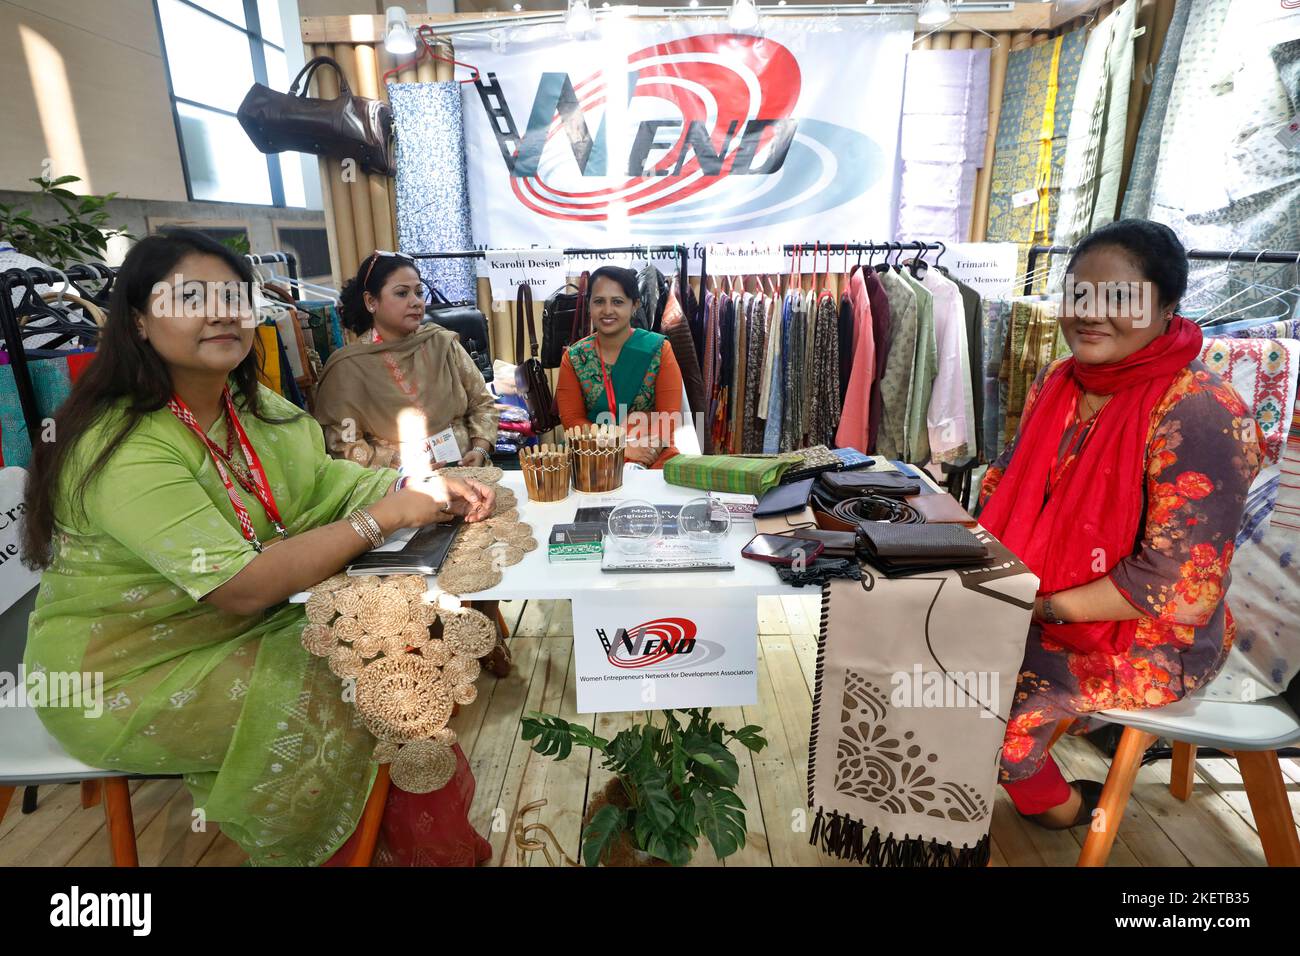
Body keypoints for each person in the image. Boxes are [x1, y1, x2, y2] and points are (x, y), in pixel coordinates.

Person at [22, 229, 495, 866]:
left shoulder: (247, 407)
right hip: (125, 668)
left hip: (236, 626)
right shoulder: (123, 445)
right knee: (366, 686)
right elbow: (240, 587)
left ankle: (408, 852)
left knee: (403, 639)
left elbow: (325, 480)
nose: (222, 312)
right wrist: (383, 517)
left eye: (235, 297)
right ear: (137, 320)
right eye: (192, 297)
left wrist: (414, 485)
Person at [979, 220, 1260, 828]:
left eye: (1121, 298)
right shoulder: (1061, 383)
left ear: (1167, 306)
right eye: (1079, 294)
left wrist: (1037, 607)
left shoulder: (1200, 411)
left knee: (979, 700)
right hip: (1040, 598)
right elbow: (1007, 482)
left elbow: (1180, 584)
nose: (1091, 313)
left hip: (1150, 637)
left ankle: (1062, 807)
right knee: (925, 649)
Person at [314, 250, 498, 471]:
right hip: (397, 490)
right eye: (402, 293)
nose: (416, 302)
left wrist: (479, 449)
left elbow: (482, 402)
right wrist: (405, 468)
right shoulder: (347, 368)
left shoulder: (442, 343)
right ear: (371, 301)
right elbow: (344, 445)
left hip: (468, 473)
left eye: (419, 292)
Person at [555, 265, 683, 468]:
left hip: (651, 452)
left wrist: (646, 451)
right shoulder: (575, 358)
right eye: (599, 301)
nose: (607, 310)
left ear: (634, 306)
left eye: (617, 302)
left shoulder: (658, 350)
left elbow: (668, 417)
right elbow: (573, 421)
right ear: (589, 305)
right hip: (593, 452)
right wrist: (620, 447)